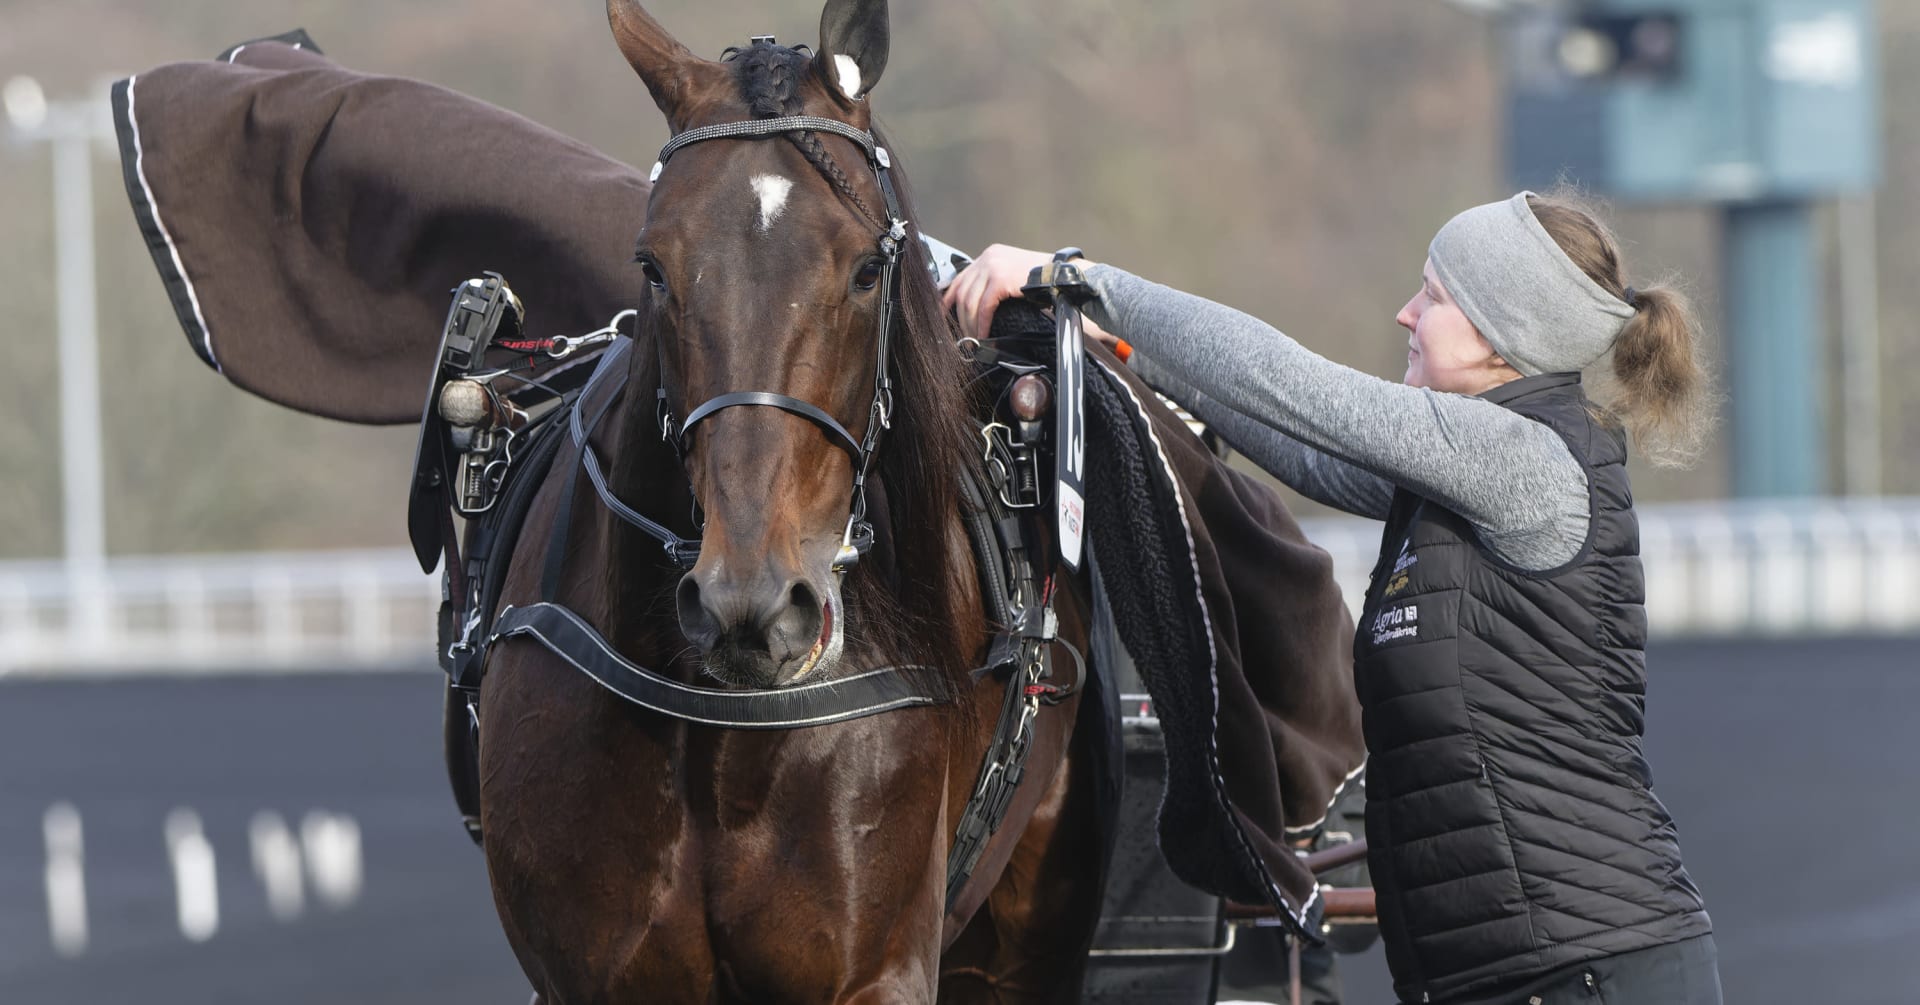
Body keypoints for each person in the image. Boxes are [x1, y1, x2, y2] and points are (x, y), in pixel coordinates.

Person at [944, 190, 1723, 1004]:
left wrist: (1074, 277)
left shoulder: (1524, 461)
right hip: (1509, 974)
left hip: (1586, 973)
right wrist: (1125, 352)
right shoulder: (1461, 479)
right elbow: (1297, 440)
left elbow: (1299, 389)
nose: (1405, 313)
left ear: (1502, 336)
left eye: (1434, 297)